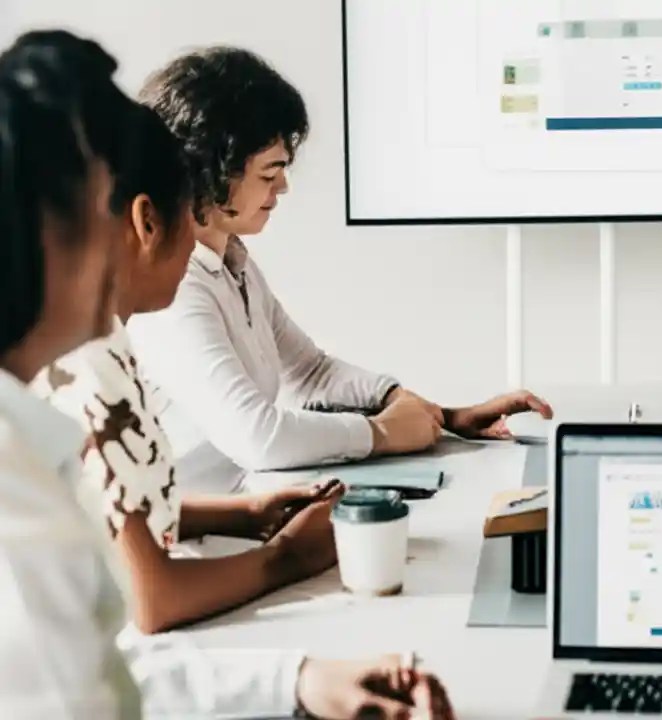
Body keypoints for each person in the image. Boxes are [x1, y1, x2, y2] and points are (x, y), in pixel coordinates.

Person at [0, 30, 452, 719]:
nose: (125, 235)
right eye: (105, 209)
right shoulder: (37, 457)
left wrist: (295, 682)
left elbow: (107, 671)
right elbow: (133, 620)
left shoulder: (35, 443)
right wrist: (286, 562)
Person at [126, 47, 553, 493]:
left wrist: (436, 416)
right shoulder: (173, 290)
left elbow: (310, 372)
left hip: (242, 513)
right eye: (270, 174)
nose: (284, 187)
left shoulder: (232, 262)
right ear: (211, 172)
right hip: (194, 542)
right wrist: (383, 435)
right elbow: (258, 437)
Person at [31, 104, 344, 635]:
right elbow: (153, 599)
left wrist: (244, 514)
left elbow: (109, 509)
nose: (206, 247)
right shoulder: (88, 364)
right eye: (195, 215)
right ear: (147, 221)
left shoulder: (97, 340)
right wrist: (291, 555)